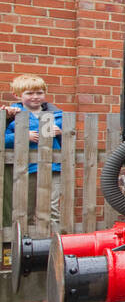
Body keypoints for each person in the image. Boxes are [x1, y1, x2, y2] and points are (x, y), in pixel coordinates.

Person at [4, 74, 62, 231]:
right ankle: (27, 244)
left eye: (39, 93)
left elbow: (68, 134)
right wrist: (22, 135)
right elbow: (4, 139)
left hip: (52, 167)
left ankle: (53, 244)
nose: (35, 97)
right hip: (26, 169)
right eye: (29, 93)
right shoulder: (14, 116)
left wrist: (61, 131)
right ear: (18, 95)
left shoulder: (56, 115)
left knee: (52, 208)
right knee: (25, 209)